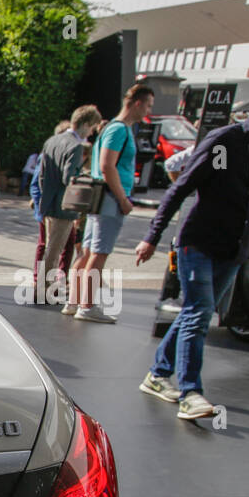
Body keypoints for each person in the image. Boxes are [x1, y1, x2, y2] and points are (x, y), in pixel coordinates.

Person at [135, 87, 249, 421]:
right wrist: (152, 237)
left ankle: (156, 374)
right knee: (200, 310)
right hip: (197, 242)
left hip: (234, 248)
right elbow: (181, 188)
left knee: (194, 313)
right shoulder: (226, 141)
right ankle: (190, 392)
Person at [65, 82, 154, 323]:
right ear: (137, 103)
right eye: (148, 105)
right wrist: (123, 199)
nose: (148, 111)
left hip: (101, 198)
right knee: (98, 253)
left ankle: (75, 302)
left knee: (88, 251)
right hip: (109, 198)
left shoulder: (112, 129)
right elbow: (107, 165)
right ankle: (87, 305)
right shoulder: (119, 130)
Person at [36, 104, 101, 306]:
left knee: (50, 249)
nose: (90, 134)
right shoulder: (75, 146)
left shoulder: (52, 141)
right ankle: (44, 290)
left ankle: (43, 288)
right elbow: (69, 177)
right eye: (91, 129)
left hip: (48, 203)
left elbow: (41, 174)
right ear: (86, 125)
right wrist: (85, 177)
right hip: (63, 207)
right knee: (54, 252)